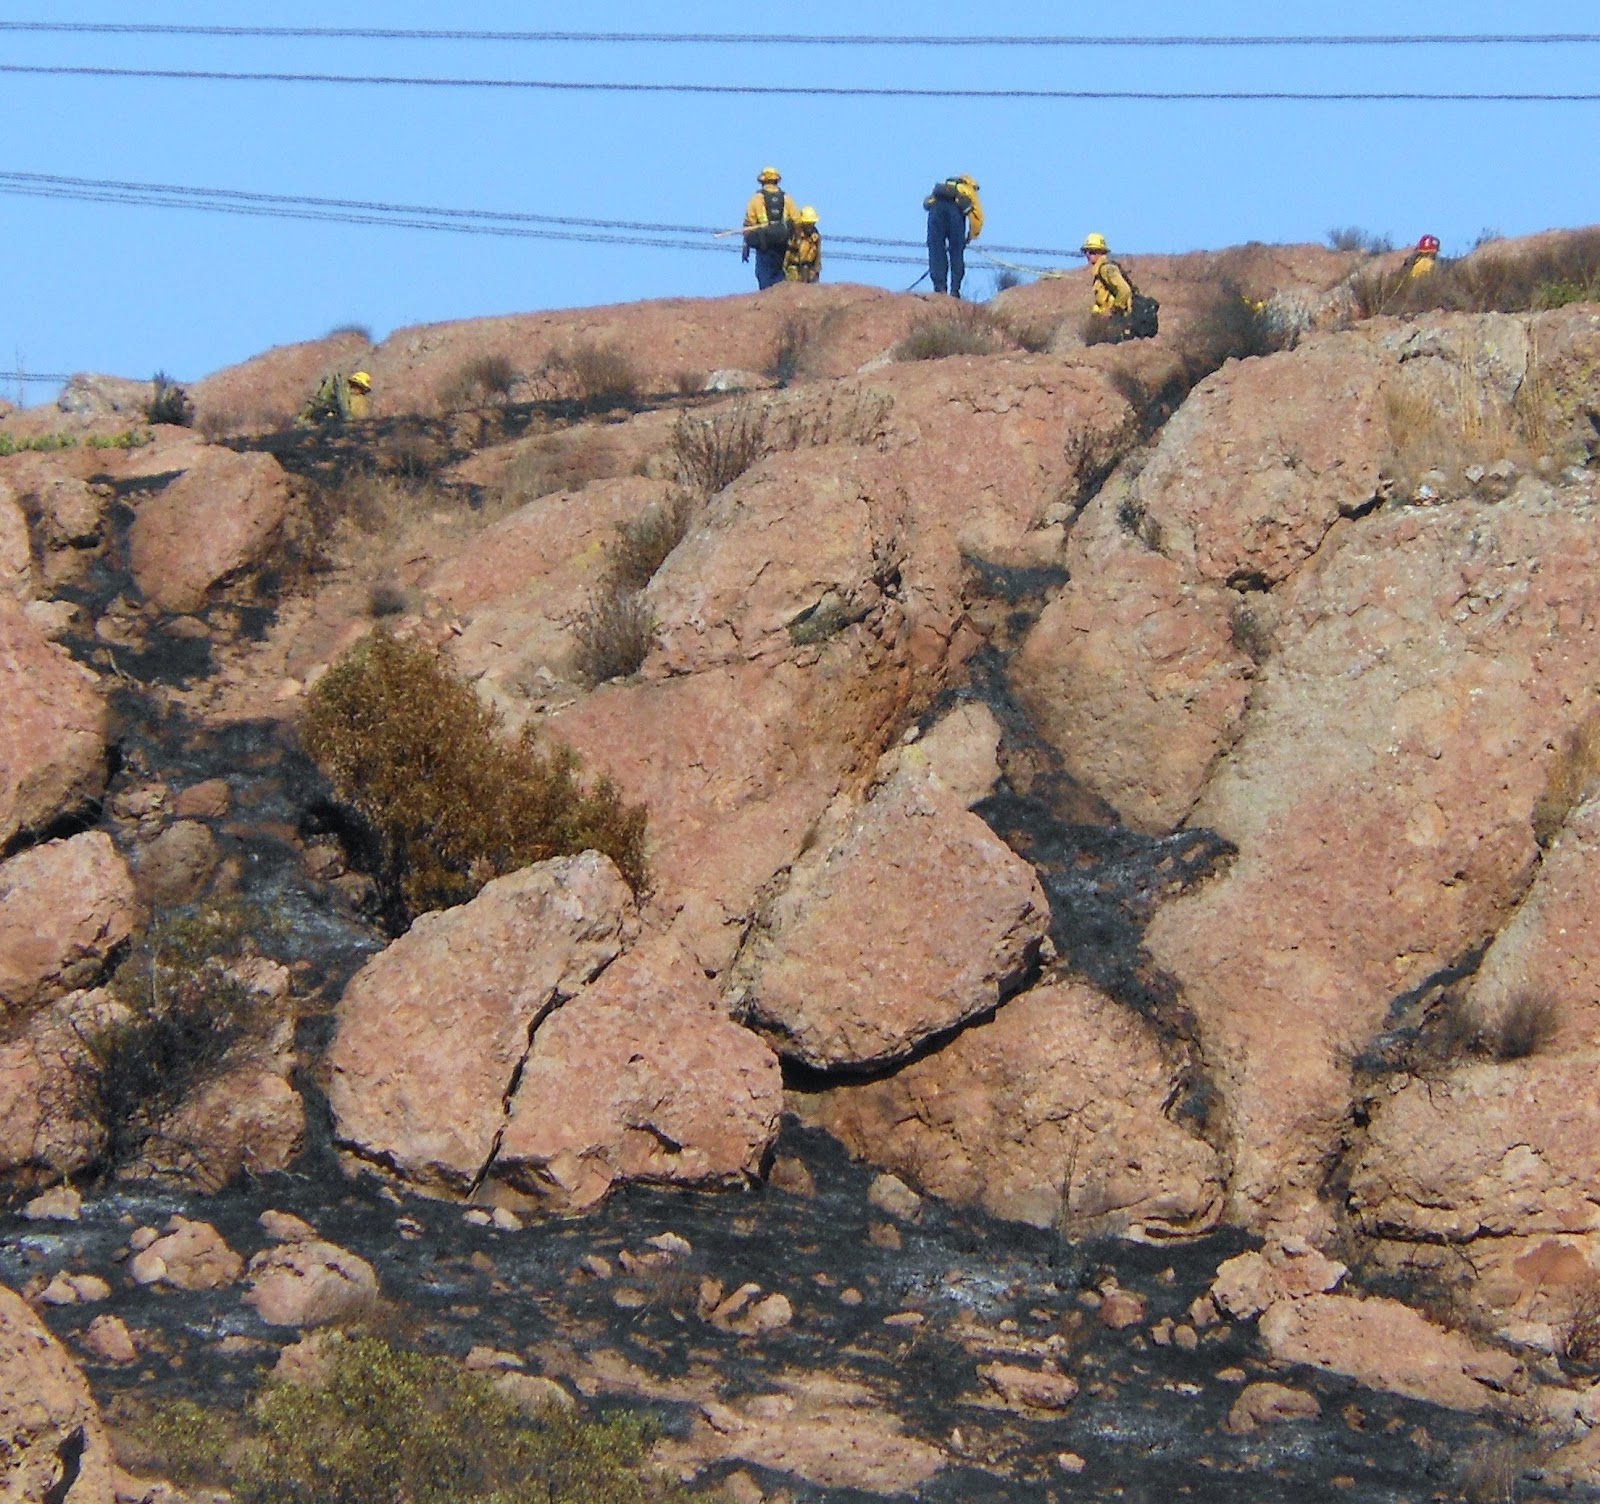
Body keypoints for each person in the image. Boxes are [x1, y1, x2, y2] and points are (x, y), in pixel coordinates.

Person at [924, 174, 983, 297]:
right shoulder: (968, 190)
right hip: (955, 215)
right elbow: (977, 217)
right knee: (956, 252)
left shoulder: (941, 190)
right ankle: (955, 290)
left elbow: (927, 204)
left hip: (936, 212)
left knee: (936, 250)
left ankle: (939, 289)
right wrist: (971, 235)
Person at [743, 167, 799, 291]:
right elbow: (796, 221)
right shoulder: (787, 198)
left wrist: (746, 246)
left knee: (764, 277)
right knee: (780, 275)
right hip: (782, 244)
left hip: (764, 245)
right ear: (777, 181)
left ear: (762, 181)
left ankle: (768, 299)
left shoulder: (756, 199)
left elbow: (749, 224)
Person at [1082, 232, 1134, 333]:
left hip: (1117, 324)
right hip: (1108, 324)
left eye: (1092, 252)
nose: (1088, 255)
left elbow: (1125, 290)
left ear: (1101, 252)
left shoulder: (1106, 269)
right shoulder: (1099, 272)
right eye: (1086, 251)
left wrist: (1113, 311)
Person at [298, 369, 372, 425]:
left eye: (358, 387)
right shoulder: (343, 395)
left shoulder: (361, 402)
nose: (354, 389)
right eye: (353, 385)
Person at [785, 207, 822, 283]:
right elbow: (787, 252)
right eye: (808, 223)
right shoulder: (794, 234)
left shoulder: (816, 236)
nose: (810, 226)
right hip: (794, 268)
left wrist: (816, 271)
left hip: (809, 268)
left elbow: (818, 255)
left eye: (812, 223)